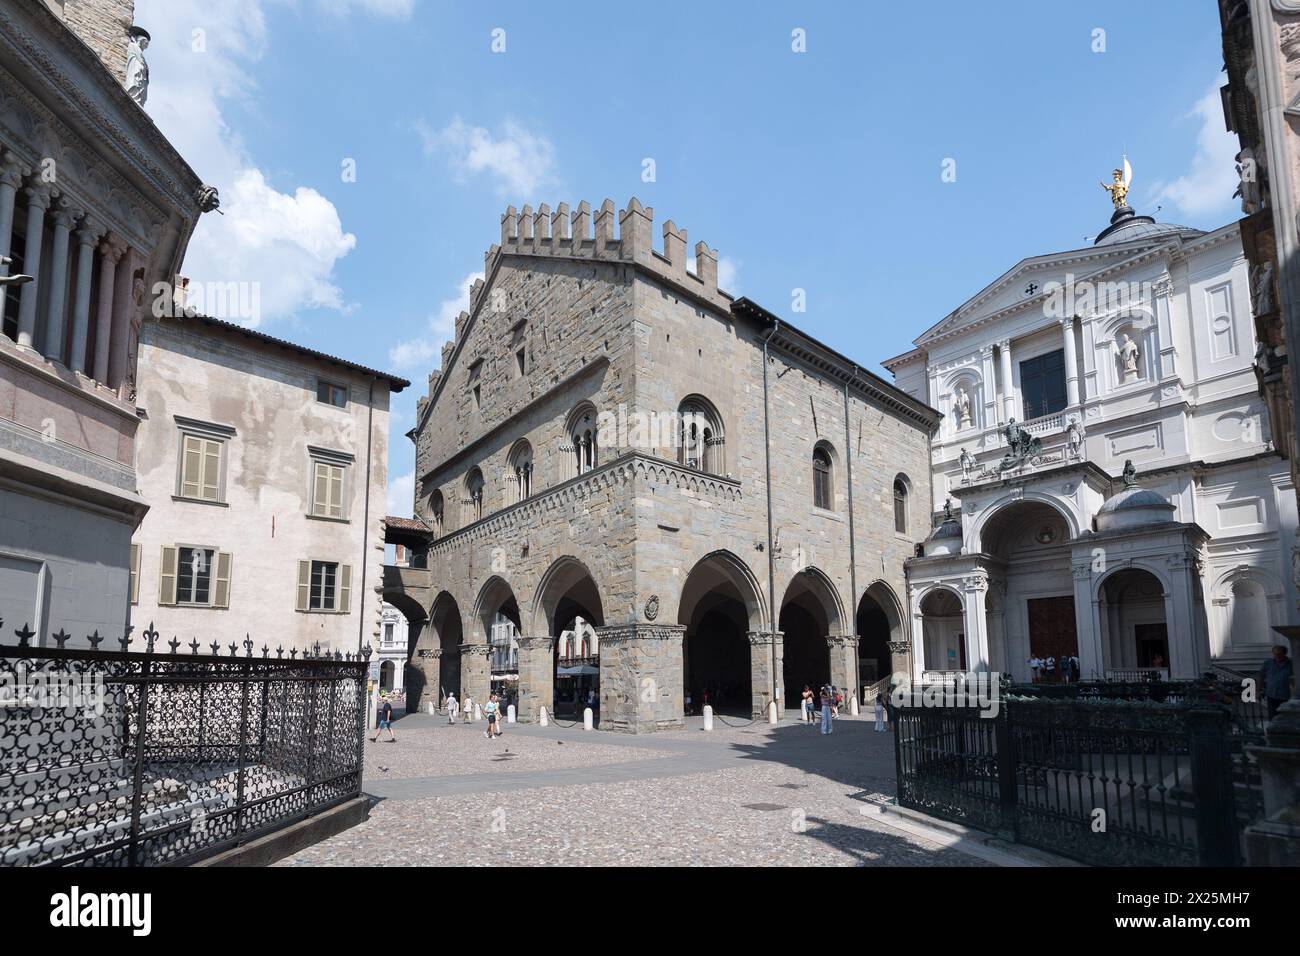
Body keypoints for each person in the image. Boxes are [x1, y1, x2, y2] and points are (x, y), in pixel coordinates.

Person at [1260, 645, 1295, 720]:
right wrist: (1258, 690)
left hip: (1284, 696)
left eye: (1279, 654)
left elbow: (1294, 680)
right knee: (1272, 717)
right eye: (1275, 654)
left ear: (1284, 654)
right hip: (1271, 695)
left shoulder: (1291, 664)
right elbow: (1261, 676)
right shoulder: (1268, 663)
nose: (1277, 656)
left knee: (1285, 717)